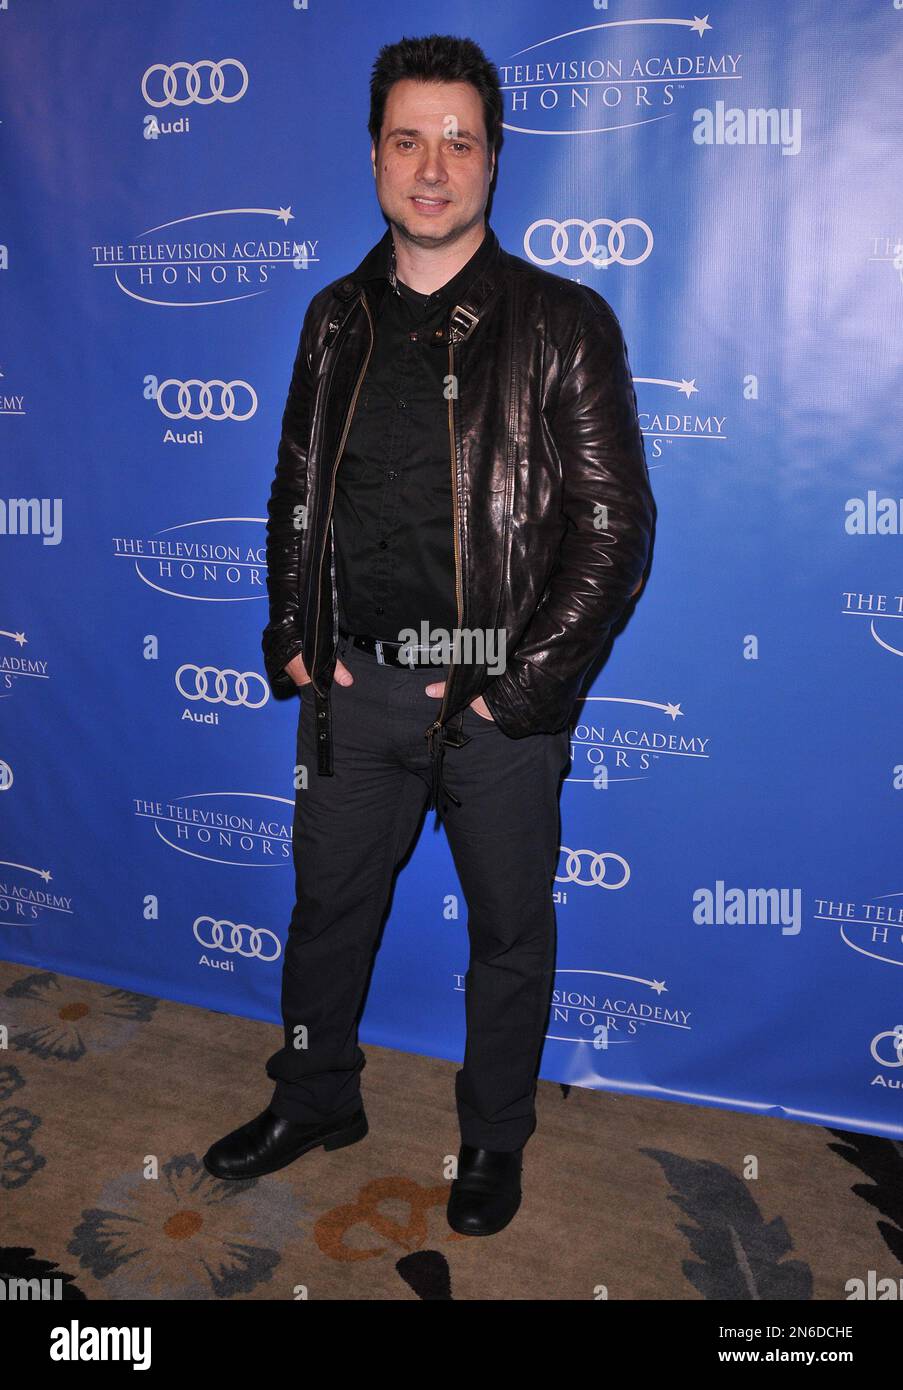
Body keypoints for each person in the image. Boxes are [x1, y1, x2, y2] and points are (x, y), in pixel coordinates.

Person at [204, 33, 656, 1237]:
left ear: (496, 161)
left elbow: (615, 531)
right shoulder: (333, 318)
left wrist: (516, 688)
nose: (433, 165)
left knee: (509, 934)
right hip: (355, 693)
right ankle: (314, 1097)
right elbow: (296, 484)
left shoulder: (562, 322)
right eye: (409, 139)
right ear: (374, 158)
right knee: (325, 916)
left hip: (496, 706)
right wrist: (294, 635)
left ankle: (493, 1139)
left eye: (459, 140)